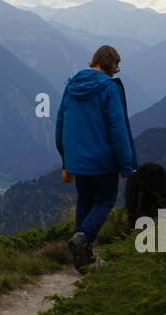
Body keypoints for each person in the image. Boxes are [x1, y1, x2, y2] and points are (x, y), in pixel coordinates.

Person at [55, 44, 138, 270]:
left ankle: (82, 259)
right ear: (112, 64)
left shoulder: (71, 85)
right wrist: (126, 164)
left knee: (85, 201)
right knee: (104, 202)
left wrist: (66, 157)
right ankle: (83, 239)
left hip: (78, 161)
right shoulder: (109, 88)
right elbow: (117, 128)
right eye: (116, 67)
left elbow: (60, 123)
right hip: (104, 160)